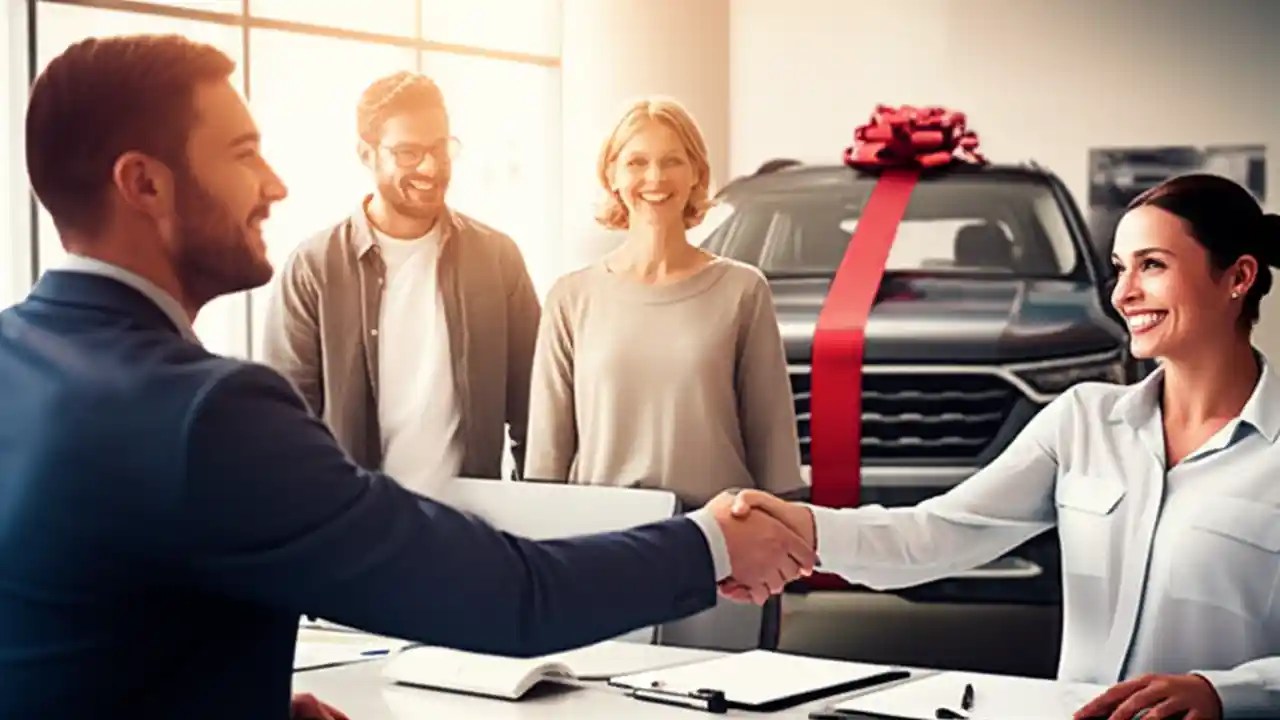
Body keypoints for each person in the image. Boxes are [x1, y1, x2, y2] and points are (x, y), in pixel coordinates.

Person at [0, 35, 815, 719]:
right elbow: (511, 595)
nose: (276, 185)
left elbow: (77, 608)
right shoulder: (210, 412)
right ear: (144, 183)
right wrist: (709, 542)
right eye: (244, 154)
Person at [725, 173, 1280, 720]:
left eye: (1152, 265)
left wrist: (1224, 693)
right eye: (1118, 268)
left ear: (1238, 277)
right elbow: (937, 535)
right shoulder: (1083, 420)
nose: (1123, 293)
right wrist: (799, 528)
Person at [261, 70, 539, 496]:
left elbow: (531, 409)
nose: (430, 167)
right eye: (408, 152)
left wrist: (536, 513)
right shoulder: (314, 268)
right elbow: (286, 430)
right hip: (355, 528)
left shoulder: (497, 259)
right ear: (367, 154)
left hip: (472, 529)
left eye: (440, 148)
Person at [524, 96, 807, 509]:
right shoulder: (571, 297)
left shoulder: (742, 290)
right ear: (612, 175)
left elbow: (773, 446)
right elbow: (547, 455)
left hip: (716, 537)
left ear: (696, 173)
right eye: (637, 162)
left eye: (672, 161)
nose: (655, 177)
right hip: (600, 541)